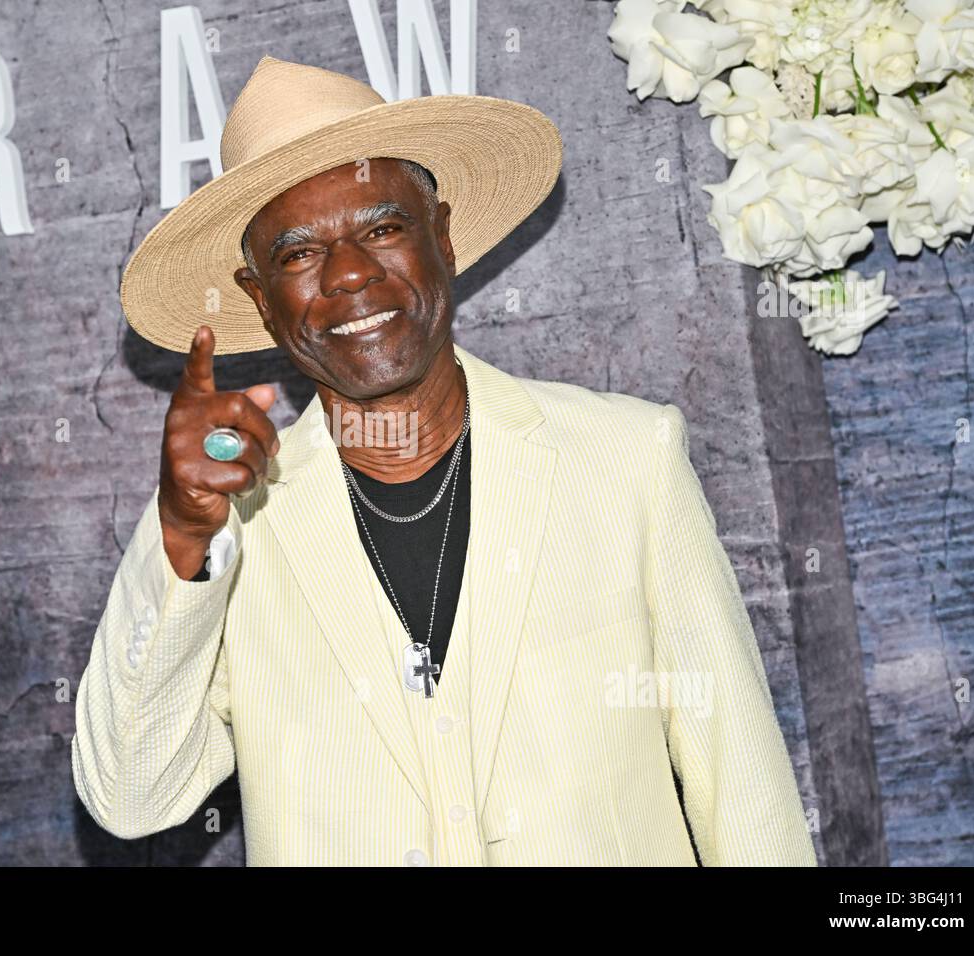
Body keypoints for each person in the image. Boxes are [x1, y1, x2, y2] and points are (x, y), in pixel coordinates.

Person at [71, 55, 817, 866]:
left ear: (445, 238)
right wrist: (181, 535)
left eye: (384, 228)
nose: (351, 272)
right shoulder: (225, 528)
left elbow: (746, 798)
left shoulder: (625, 460)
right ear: (259, 298)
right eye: (298, 255)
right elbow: (132, 796)